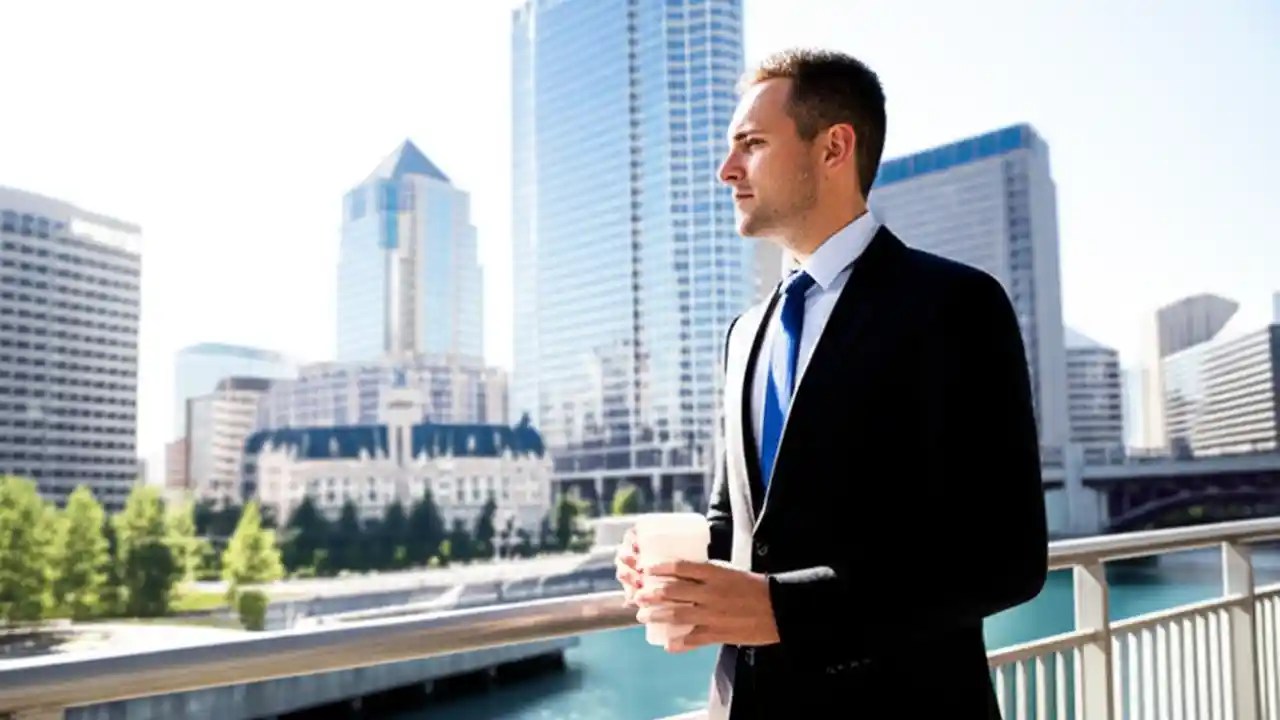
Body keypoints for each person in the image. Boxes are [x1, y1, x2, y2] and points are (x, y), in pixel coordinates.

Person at [615, 48, 1049, 719]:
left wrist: (787, 609)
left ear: (834, 147)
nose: (726, 170)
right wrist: (672, 565)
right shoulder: (742, 336)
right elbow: (739, 525)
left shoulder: (956, 304)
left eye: (752, 145)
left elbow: (1006, 559)